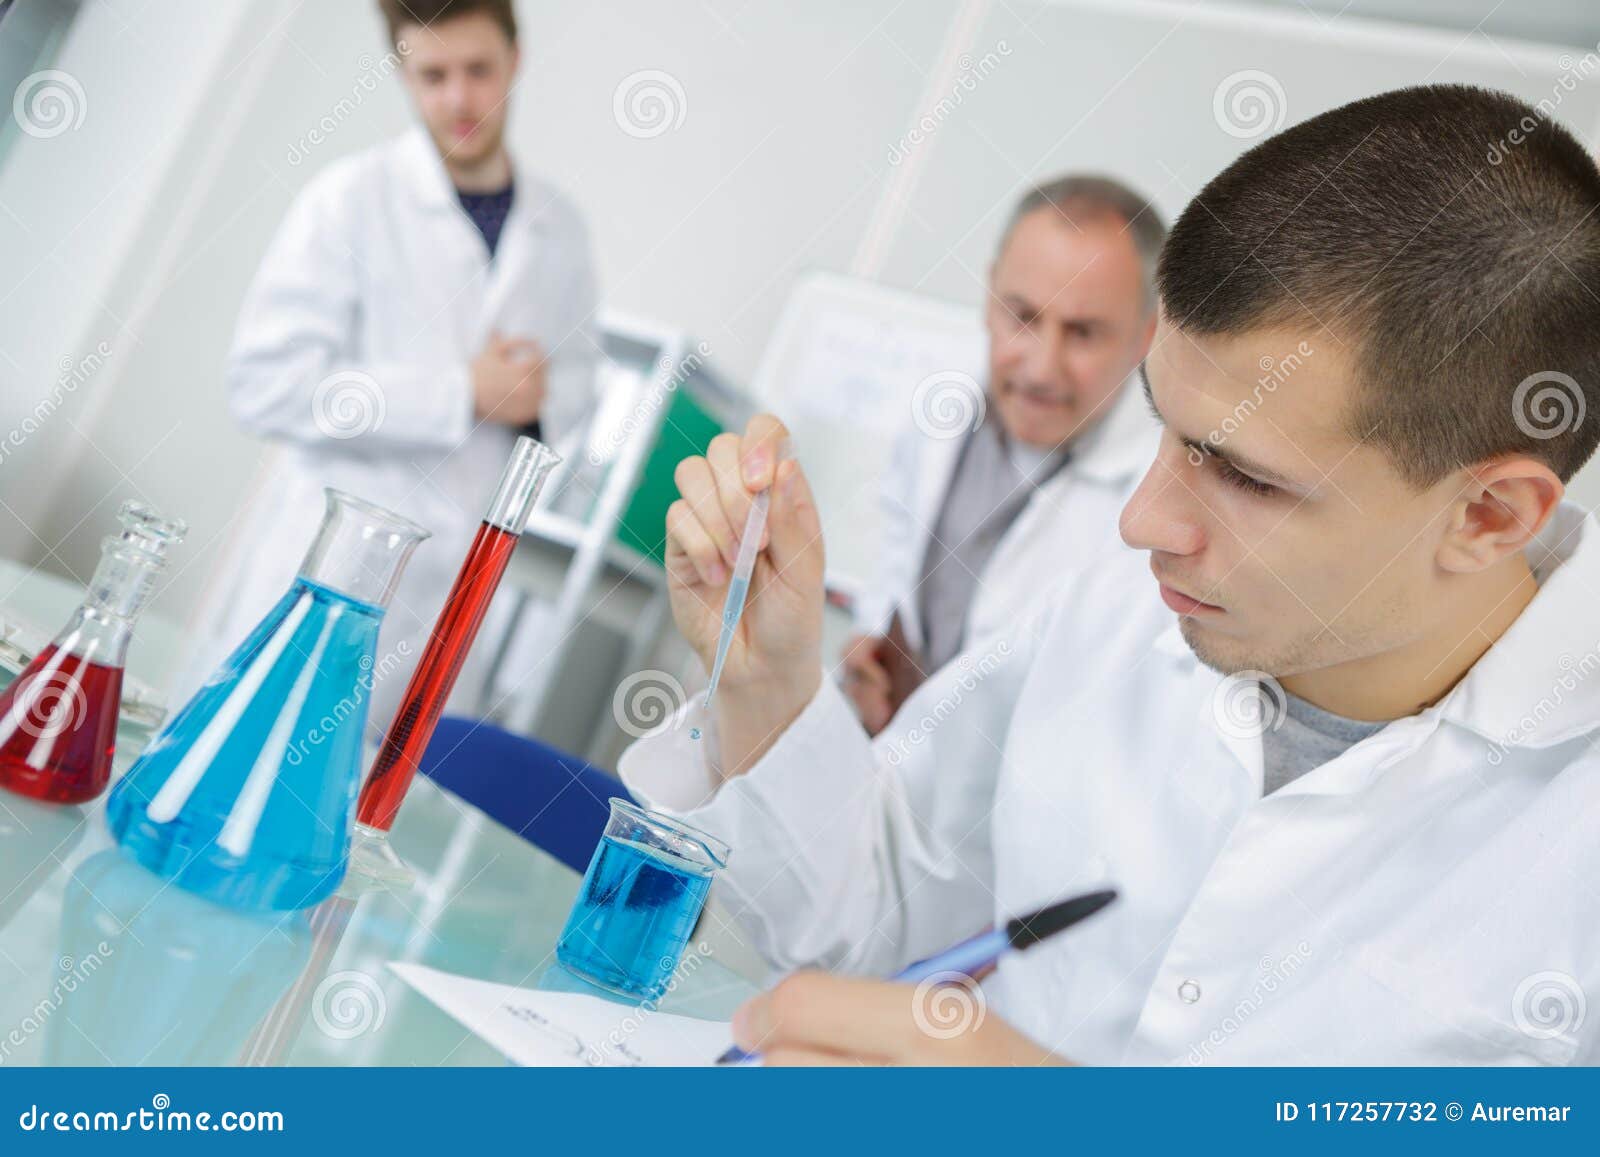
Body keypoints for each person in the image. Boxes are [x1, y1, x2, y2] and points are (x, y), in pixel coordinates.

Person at [622, 84, 1600, 1065]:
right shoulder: (1112, 613)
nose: (1141, 520)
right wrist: (767, 679)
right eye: (1165, 427)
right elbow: (874, 920)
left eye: (1247, 475)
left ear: (1485, 515)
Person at [178, 0, 599, 729]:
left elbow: (581, 392)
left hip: (448, 595)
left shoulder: (558, 229)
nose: (459, 99)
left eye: (478, 70)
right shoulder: (350, 200)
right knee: (245, 767)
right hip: (323, 568)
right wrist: (461, 392)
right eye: (433, 76)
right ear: (403, 73)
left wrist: (536, 401)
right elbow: (263, 387)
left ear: (516, 59)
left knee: (370, 822)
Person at [842, 177, 1162, 734]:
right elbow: (895, 566)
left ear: (1145, 336)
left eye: (1083, 333)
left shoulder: (1162, 506)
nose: (1041, 368)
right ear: (990, 295)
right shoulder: (937, 415)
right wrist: (870, 662)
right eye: (1022, 316)